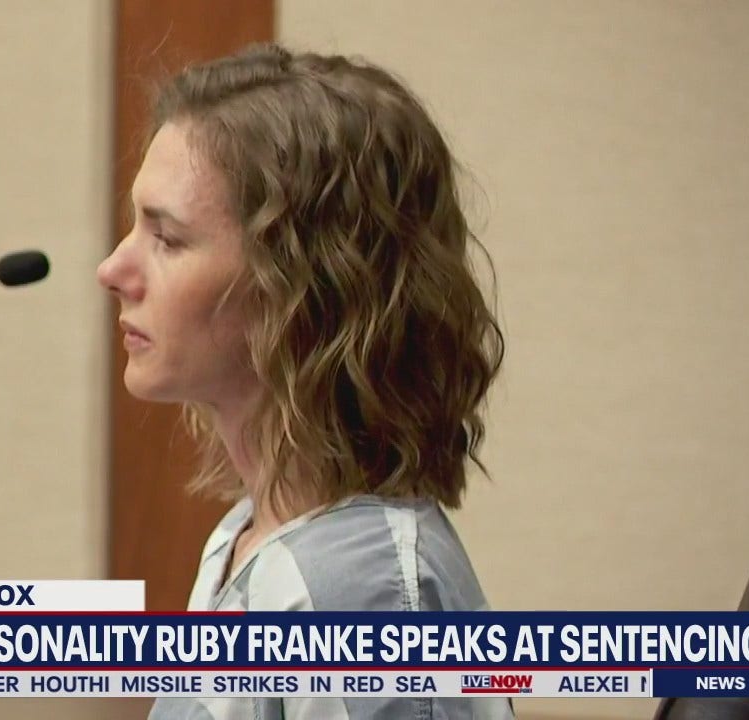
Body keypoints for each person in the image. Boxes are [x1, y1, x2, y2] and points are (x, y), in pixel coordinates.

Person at [97, 42, 510, 720]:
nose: (113, 270)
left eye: (167, 239)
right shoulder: (252, 536)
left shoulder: (360, 595)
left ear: (300, 290)